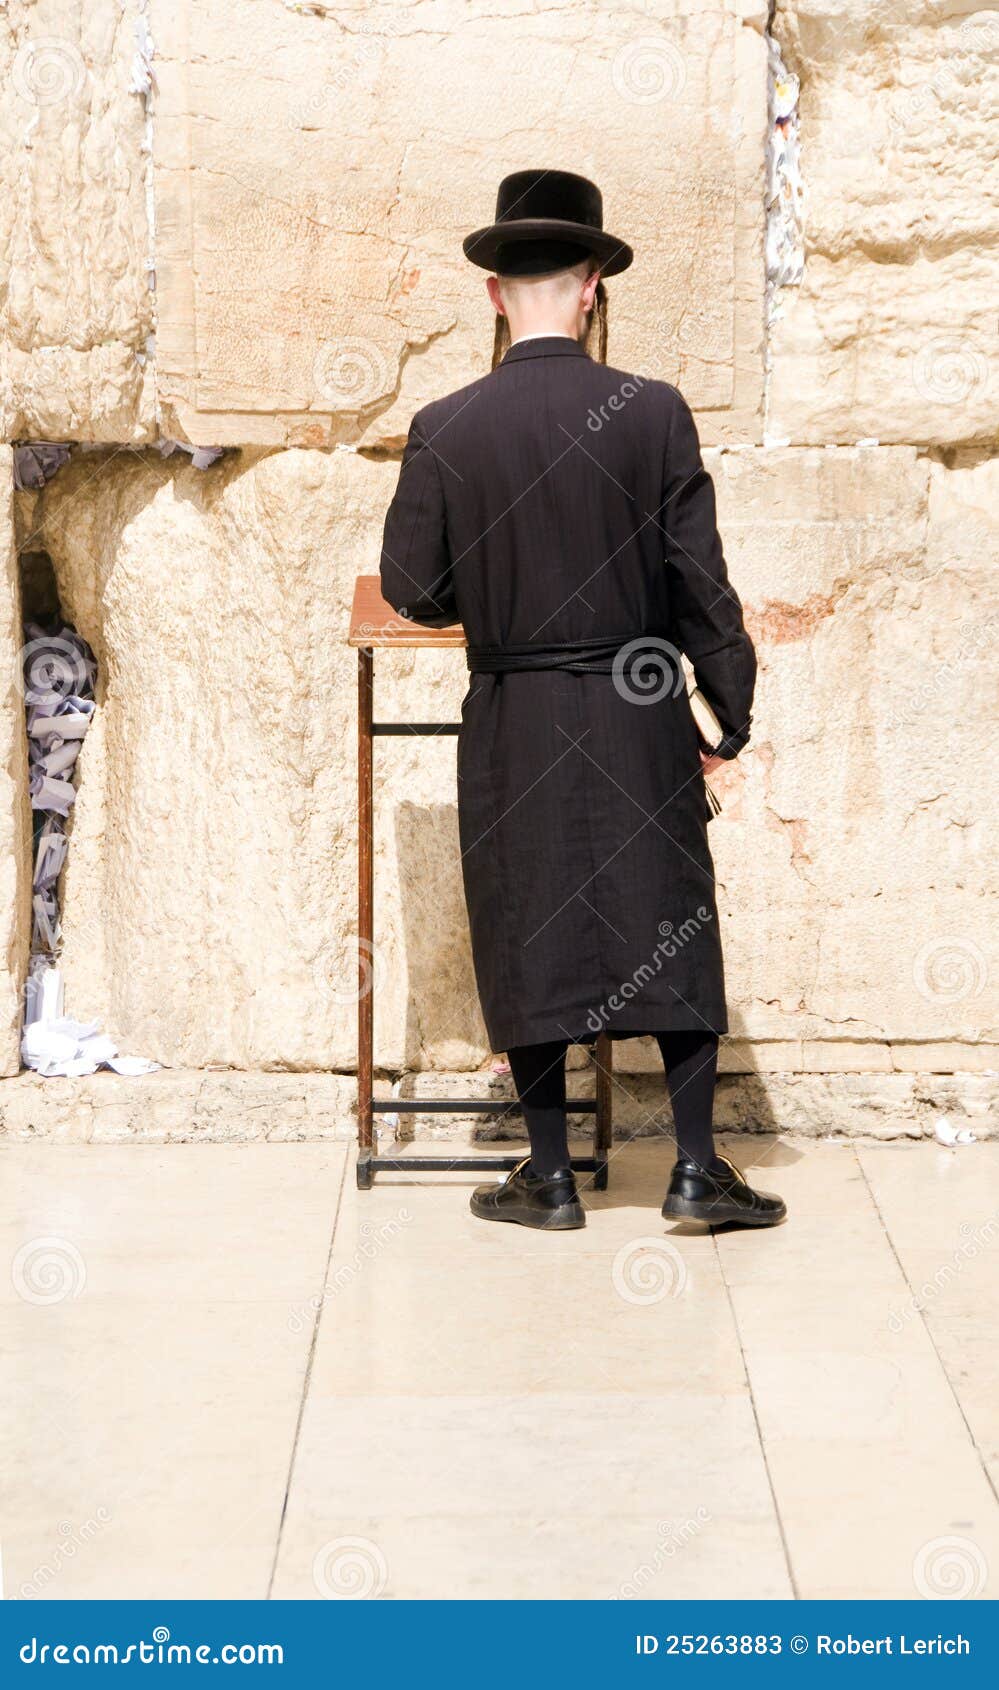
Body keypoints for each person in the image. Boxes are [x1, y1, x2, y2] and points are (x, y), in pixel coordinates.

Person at [380, 169, 786, 1234]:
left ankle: (549, 1175)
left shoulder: (446, 424)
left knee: (528, 923)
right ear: (594, 282)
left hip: (513, 711)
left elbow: (416, 588)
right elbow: (702, 585)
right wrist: (725, 712)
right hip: (634, 701)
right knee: (672, 919)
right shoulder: (649, 412)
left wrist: (503, 588)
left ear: (494, 293)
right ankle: (697, 1172)